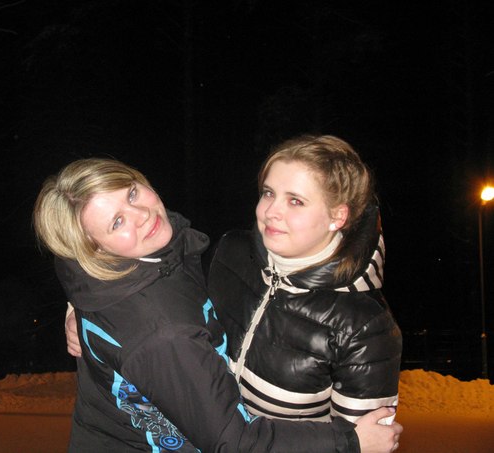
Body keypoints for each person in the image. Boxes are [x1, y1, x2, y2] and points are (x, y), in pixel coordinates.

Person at [36, 157, 402, 452]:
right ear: (94, 250)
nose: (142, 214)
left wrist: (80, 303)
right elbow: (233, 441)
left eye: (132, 194)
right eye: (117, 222)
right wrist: (349, 443)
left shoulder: (166, 254)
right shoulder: (165, 333)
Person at [207, 135, 402, 425]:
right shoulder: (230, 254)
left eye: (295, 201)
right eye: (268, 193)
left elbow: (357, 441)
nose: (271, 212)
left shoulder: (364, 325)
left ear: (337, 216)